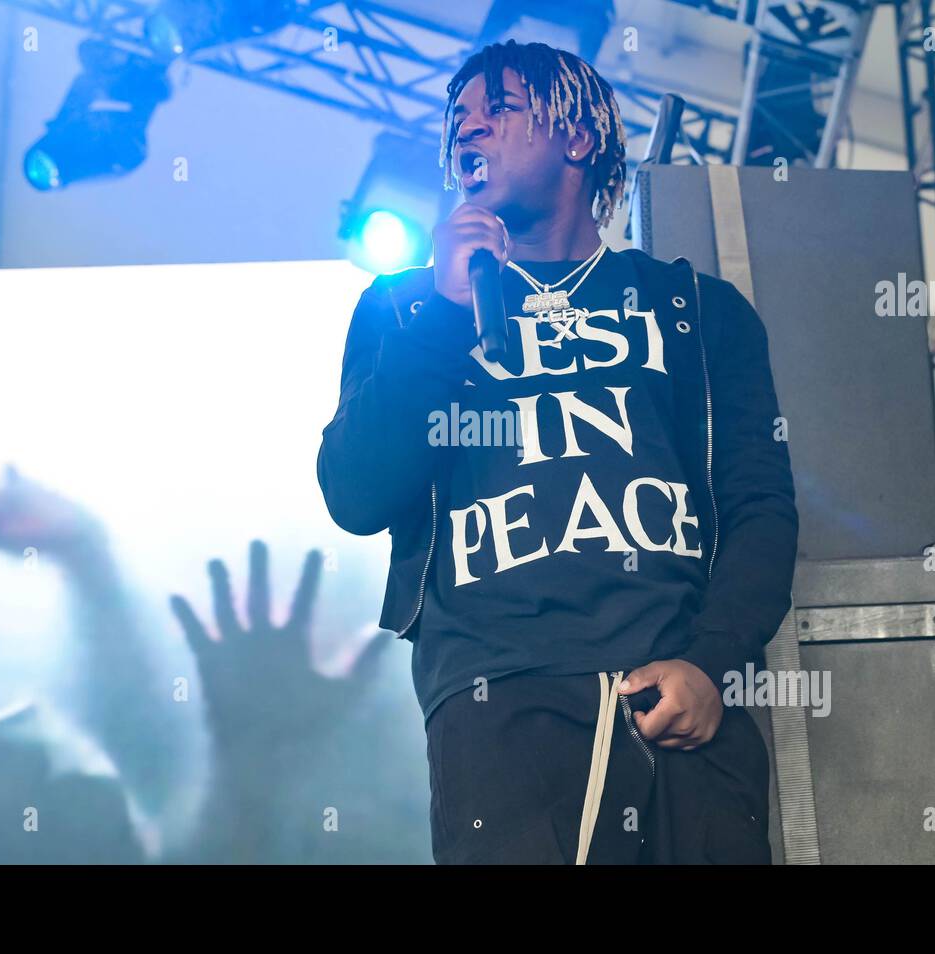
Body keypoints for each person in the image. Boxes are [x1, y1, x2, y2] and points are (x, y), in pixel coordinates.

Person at [317, 39, 798, 864]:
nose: (468, 133)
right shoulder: (402, 309)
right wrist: (445, 310)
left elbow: (760, 507)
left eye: (496, 111)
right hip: (496, 703)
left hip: (676, 699)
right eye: (456, 122)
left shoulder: (694, 310)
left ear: (577, 137)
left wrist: (710, 661)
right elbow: (357, 492)